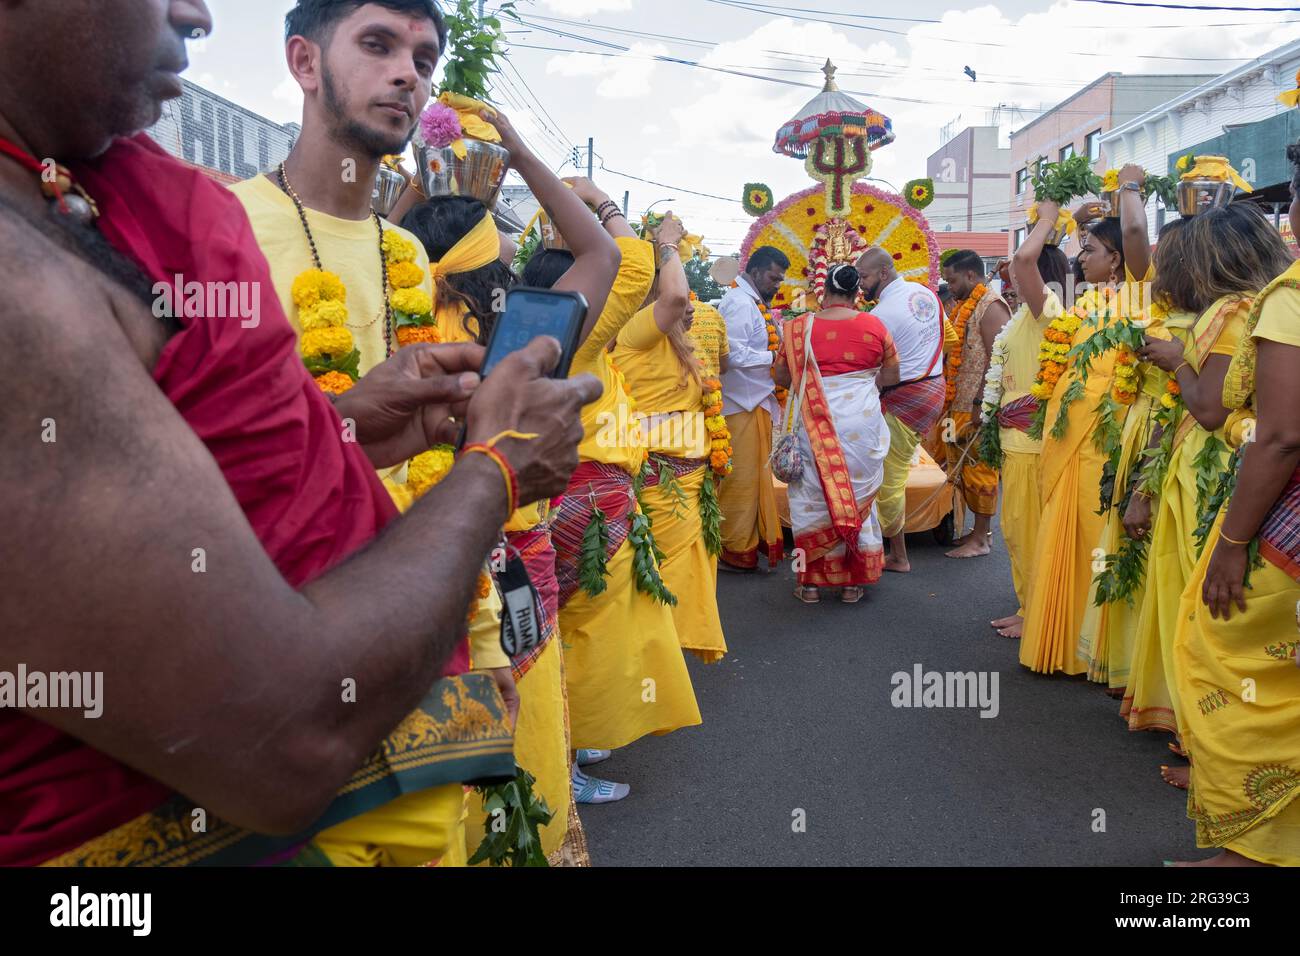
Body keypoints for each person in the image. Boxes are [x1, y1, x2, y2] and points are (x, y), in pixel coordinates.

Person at [0, 0, 601, 866]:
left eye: (426, 56)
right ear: (304, 63)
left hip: (404, 670)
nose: (195, 15)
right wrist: (496, 472)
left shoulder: (75, 193)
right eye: (379, 44)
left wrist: (342, 427)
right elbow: (278, 738)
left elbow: (166, 474)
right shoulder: (29, 280)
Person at [398, 145, 621, 857]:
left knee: (431, 771)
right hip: (509, 563)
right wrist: (518, 154)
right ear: (493, 263)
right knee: (520, 748)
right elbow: (602, 252)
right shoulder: (520, 340)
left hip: (404, 581)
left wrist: (412, 182)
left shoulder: (380, 319)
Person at [522, 212, 701, 805]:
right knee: (584, 634)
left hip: (573, 497)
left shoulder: (533, 342)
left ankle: (570, 743)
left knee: (572, 631)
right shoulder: (583, 336)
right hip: (586, 504)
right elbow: (632, 260)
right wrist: (602, 207)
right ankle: (562, 765)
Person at [1126, 203, 1290, 798]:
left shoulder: (1239, 308)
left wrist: (1176, 362)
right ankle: (1207, 749)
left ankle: (1215, 758)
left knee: (1214, 614)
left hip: (1221, 468)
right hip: (1221, 464)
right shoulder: (1258, 303)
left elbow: (1212, 407)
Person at [1167, 155, 1300, 866]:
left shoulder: (1290, 296)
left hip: (1280, 518)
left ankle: (1249, 854)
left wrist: (1232, 542)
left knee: (1227, 660)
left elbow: (1278, 434)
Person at [1019, 209, 1133, 676]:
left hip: (1105, 442)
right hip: (1069, 439)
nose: (1080, 258)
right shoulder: (1082, 306)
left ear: (1118, 260)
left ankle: (1100, 652)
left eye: (1090, 250)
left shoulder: (1139, 306)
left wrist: (1125, 195)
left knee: (1096, 539)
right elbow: (1023, 265)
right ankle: (1061, 642)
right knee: (1063, 534)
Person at [611, 225, 727, 663]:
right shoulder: (636, 334)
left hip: (691, 476)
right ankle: (656, 658)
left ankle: (664, 657)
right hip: (664, 477)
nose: (689, 305)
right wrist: (666, 245)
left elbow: (672, 296)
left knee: (678, 571)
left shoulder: (674, 340)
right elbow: (674, 297)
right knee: (665, 572)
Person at [778, 264, 899, 604]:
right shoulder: (875, 325)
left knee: (811, 499)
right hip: (861, 423)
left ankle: (811, 585)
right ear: (856, 292)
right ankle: (851, 584)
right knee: (855, 499)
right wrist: (860, 386)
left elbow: (782, 377)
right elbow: (892, 374)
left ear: (822, 290)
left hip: (812, 422)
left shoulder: (797, 328)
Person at [997, 216, 1071, 639]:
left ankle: (1036, 614)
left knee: (1027, 529)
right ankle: (1030, 605)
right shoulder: (1026, 314)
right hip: (1016, 440)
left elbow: (1023, 259)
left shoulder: (1051, 311)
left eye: (1019, 272)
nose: (1009, 274)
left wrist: (1047, 214)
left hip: (1030, 441)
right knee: (1017, 528)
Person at [855, 247, 946, 574]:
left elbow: (869, 368)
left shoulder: (881, 315)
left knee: (889, 476)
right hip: (934, 387)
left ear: (882, 273)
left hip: (906, 396)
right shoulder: (924, 292)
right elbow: (945, 338)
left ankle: (899, 556)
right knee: (896, 465)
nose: (861, 284)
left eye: (864, 276)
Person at [716, 245, 791, 572]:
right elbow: (730, 355)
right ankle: (733, 549)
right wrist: (773, 359)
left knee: (751, 481)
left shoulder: (752, 302)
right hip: (739, 405)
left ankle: (743, 544)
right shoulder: (738, 304)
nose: (778, 284)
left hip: (754, 402)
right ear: (756, 271)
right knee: (741, 483)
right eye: (774, 277)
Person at [940, 250, 1010, 559]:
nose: (949, 286)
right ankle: (972, 531)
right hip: (956, 403)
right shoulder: (961, 306)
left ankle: (982, 539)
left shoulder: (991, 306)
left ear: (970, 276)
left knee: (980, 469)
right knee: (958, 468)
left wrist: (983, 403)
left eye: (952, 280)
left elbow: (999, 359)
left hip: (977, 405)